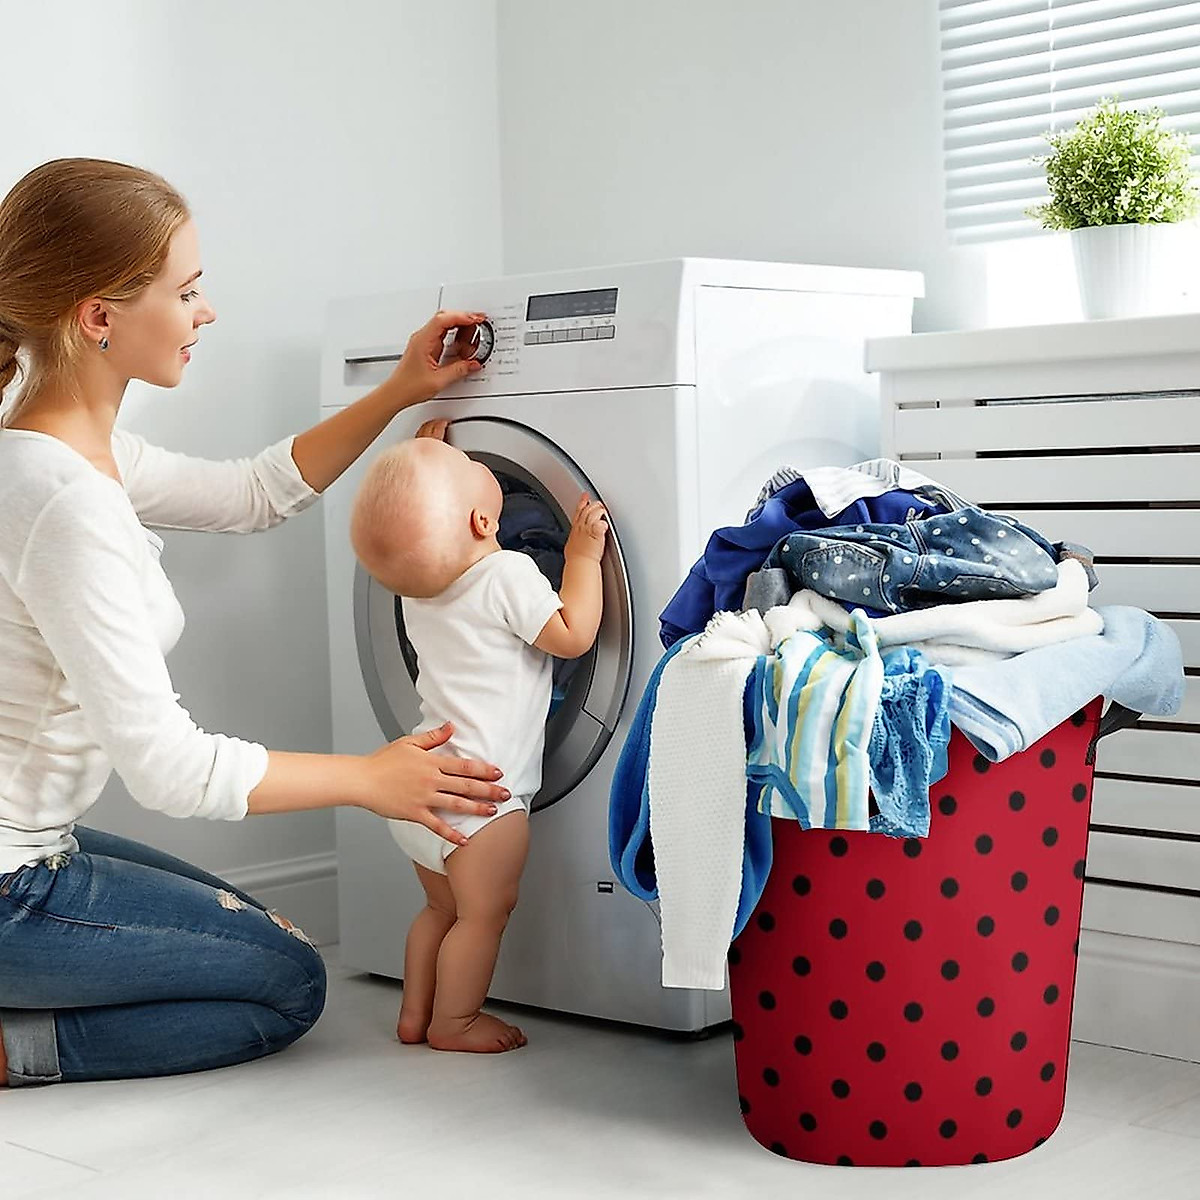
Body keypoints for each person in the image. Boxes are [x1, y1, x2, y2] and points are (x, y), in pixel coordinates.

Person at [0, 157, 510, 1087]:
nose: (208, 313)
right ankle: (15, 1045)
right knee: (286, 984)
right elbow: (169, 767)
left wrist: (402, 389)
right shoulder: (62, 500)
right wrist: (371, 779)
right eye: (186, 291)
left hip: (29, 846)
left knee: (256, 934)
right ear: (97, 316)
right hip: (10, 887)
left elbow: (253, 493)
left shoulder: (62, 447)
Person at [350, 429, 607, 1052]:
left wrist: (425, 462)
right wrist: (578, 559)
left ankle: (414, 1014)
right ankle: (456, 1021)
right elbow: (571, 635)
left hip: (425, 786)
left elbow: (420, 533)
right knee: (483, 916)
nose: (471, 459)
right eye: (468, 464)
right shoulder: (507, 572)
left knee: (439, 912)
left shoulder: (417, 589)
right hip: (484, 799)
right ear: (484, 519)